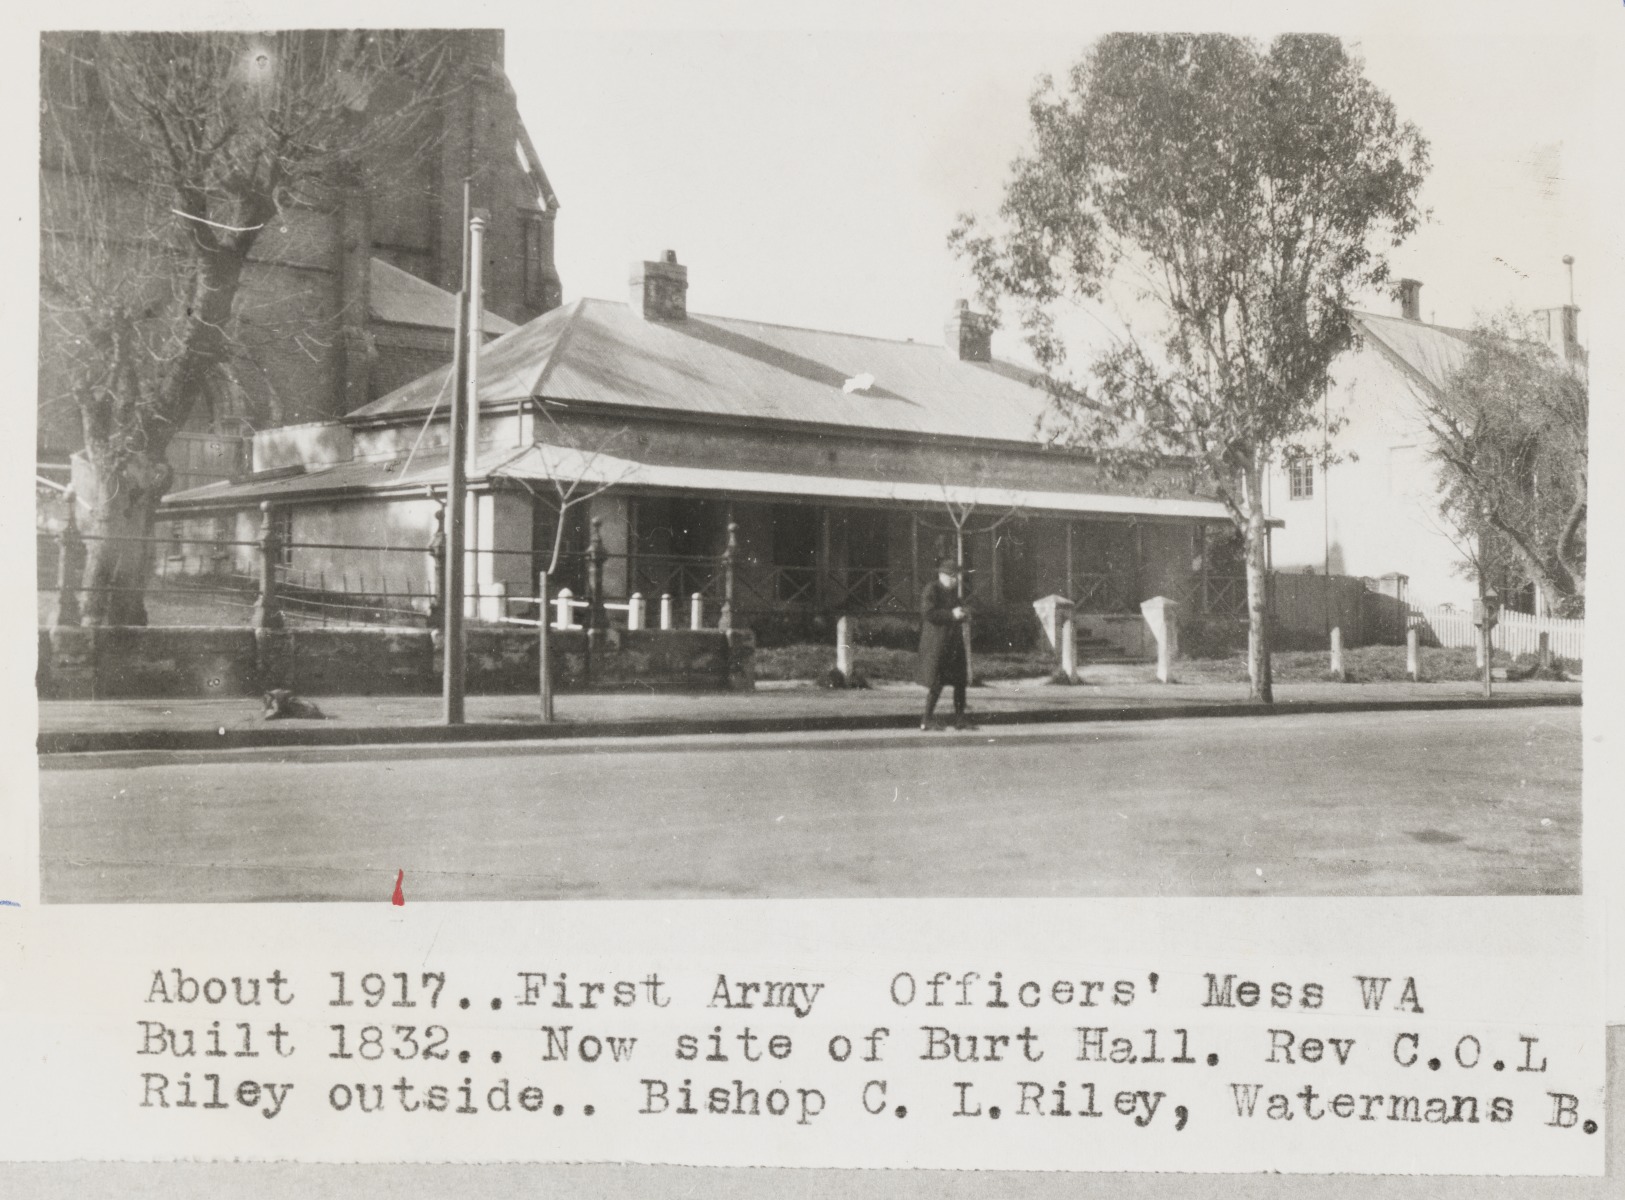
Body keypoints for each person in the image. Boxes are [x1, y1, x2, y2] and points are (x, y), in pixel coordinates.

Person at [917, 558, 973, 730]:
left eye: (956, 576)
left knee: (960, 682)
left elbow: (960, 610)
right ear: (941, 575)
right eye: (951, 576)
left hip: (953, 645)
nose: (955, 580)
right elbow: (928, 613)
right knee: (936, 683)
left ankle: (960, 719)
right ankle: (926, 719)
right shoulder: (931, 590)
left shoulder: (953, 593)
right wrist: (951, 615)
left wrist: (965, 613)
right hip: (937, 644)